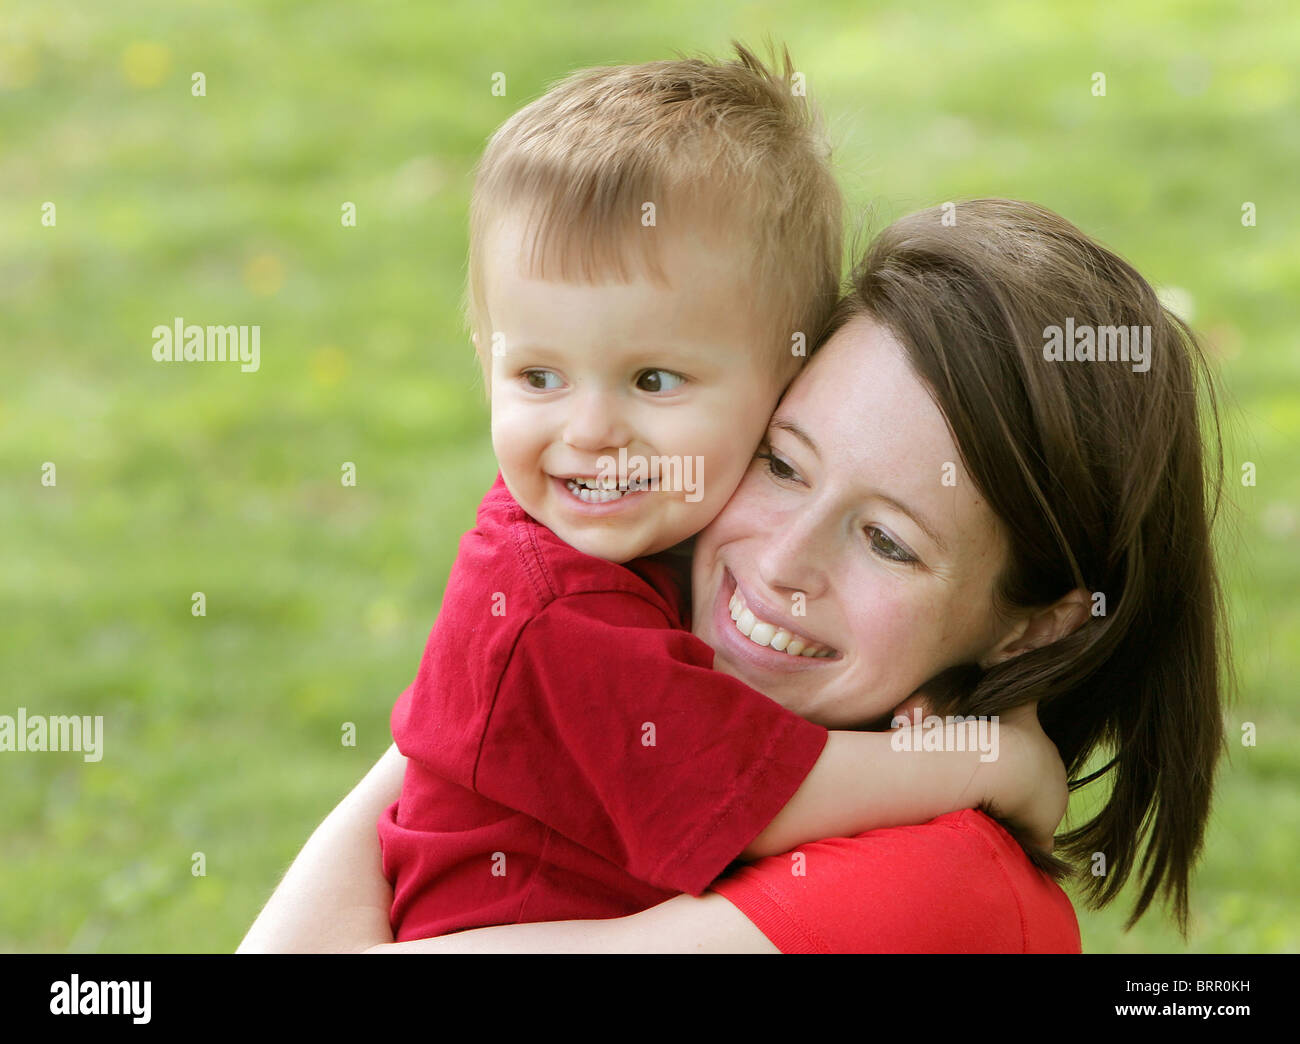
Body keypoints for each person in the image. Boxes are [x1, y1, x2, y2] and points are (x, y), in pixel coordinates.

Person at [240, 197, 1227, 953]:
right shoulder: (621, 639)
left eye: (886, 540)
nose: (780, 564)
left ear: (1034, 625)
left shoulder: (939, 889)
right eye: (782, 463)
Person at [373, 45, 1065, 942]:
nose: (588, 431)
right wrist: (992, 760)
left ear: (788, 379)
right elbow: (764, 801)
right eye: (538, 376)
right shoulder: (550, 603)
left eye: (653, 381)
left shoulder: (634, 545)